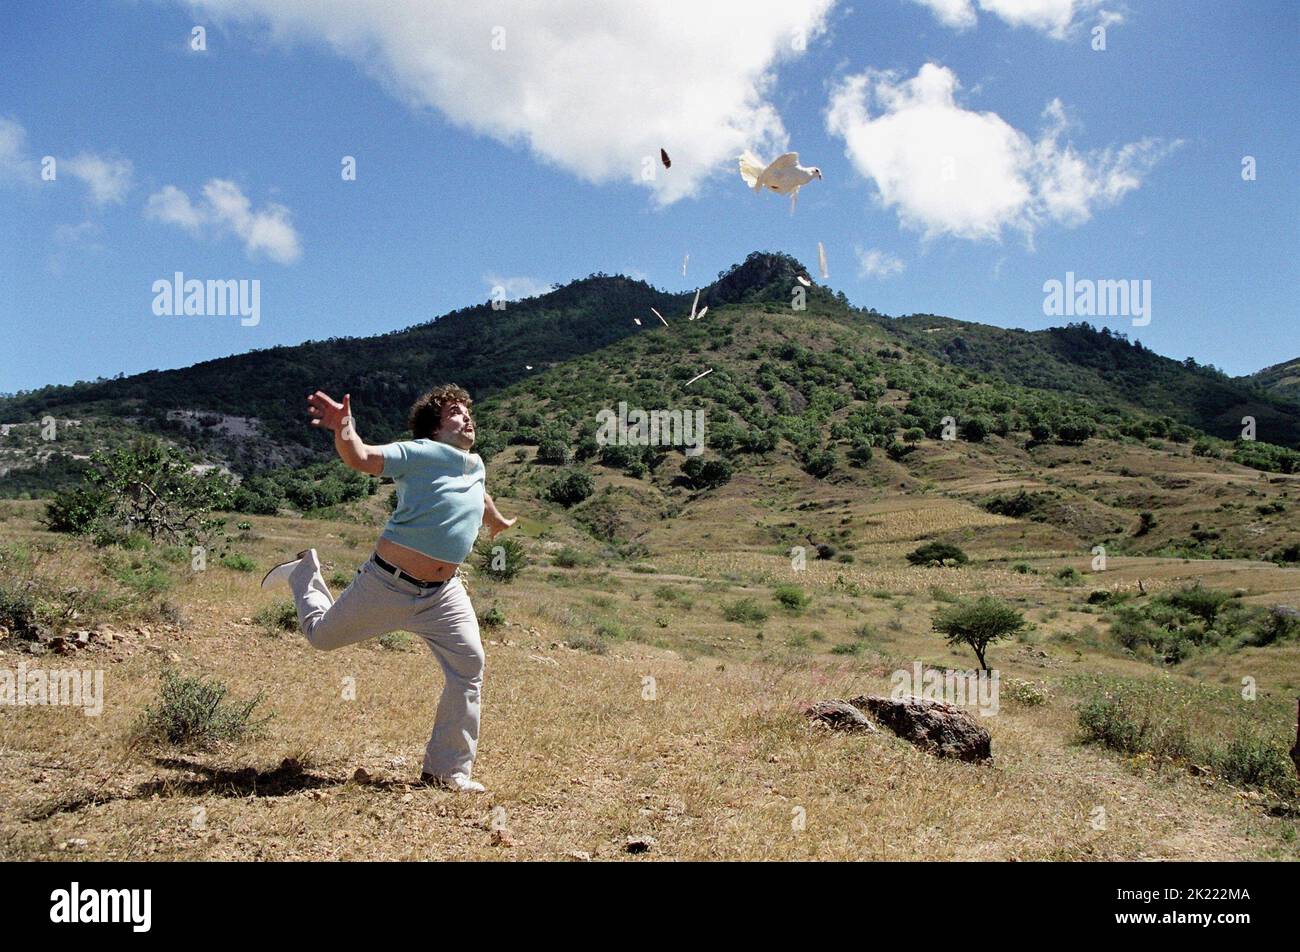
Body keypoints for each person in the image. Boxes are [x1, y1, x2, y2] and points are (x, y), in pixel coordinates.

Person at [261, 383, 516, 793]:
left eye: (469, 412)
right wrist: (344, 428)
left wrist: (497, 521)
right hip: (388, 584)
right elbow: (361, 458)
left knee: (469, 666)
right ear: (434, 427)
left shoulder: (475, 463)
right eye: (456, 412)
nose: (467, 417)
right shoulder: (418, 453)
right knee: (322, 638)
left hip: (442, 593)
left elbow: (479, 492)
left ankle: (446, 772)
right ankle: (303, 575)